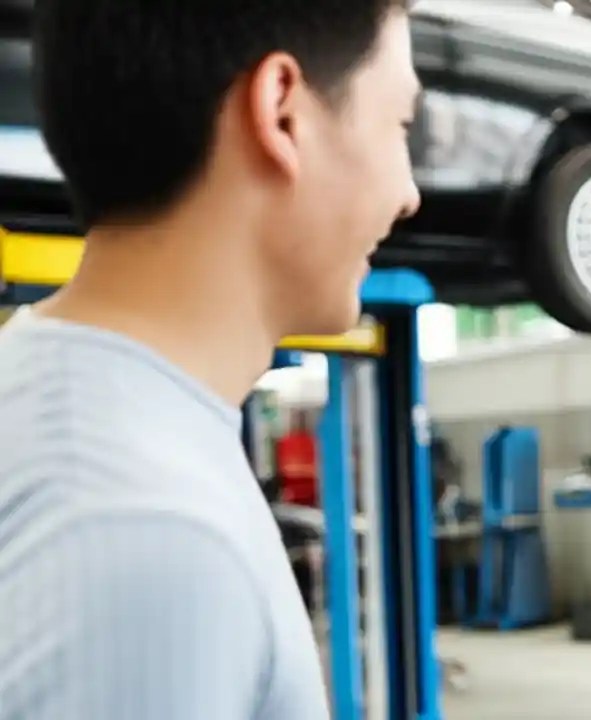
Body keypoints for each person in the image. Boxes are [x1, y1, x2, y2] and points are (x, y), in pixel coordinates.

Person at [0, 1, 421, 718]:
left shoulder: (66, 411)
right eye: (400, 126)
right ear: (281, 112)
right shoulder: (150, 533)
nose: (407, 194)